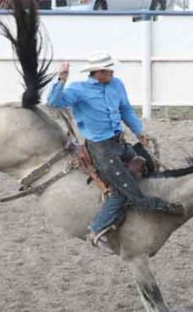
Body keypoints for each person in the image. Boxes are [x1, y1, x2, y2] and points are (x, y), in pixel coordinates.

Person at [47, 51, 184, 251]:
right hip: (100, 148)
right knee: (126, 188)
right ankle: (96, 229)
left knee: (147, 166)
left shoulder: (117, 84)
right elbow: (53, 102)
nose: (111, 72)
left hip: (118, 142)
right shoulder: (79, 90)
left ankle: (120, 215)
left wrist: (139, 132)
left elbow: (125, 109)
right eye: (107, 70)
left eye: (110, 69)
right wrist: (62, 79)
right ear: (97, 72)